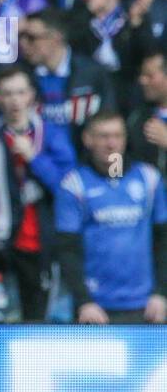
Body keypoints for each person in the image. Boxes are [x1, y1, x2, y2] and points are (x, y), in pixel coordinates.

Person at [0, 68, 76, 322]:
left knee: (42, 320)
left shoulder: (51, 134)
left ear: (32, 96)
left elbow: (68, 188)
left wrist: (34, 159)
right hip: (2, 242)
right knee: (2, 318)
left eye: (20, 92)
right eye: (7, 93)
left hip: (45, 243)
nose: (15, 100)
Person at [56, 112, 167, 325]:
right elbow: (67, 250)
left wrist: (161, 293)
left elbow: (164, 241)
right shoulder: (74, 185)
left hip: (146, 306)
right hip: (96, 308)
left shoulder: (149, 179)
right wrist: (84, 301)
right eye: (104, 136)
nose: (112, 144)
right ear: (88, 139)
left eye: (117, 136)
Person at [19, 8, 115, 148]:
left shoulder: (93, 74)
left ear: (56, 37)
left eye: (31, 38)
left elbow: (109, 121)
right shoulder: (22, 77)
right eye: (21, 37)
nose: (23, 44)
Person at [128, 51, 167, 176]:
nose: (142, 80)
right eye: (142, 75)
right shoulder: (136, 118)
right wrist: (115, 179)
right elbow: (118, 154)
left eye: (149, 76)